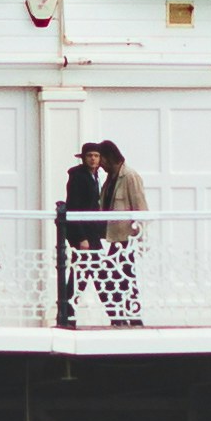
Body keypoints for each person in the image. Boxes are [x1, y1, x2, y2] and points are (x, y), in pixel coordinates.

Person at [94, 134, 149, 330]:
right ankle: (122, 315)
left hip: (126, 238)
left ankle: (131, 316)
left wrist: (140, 239)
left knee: (124, 277)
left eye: (102, 160)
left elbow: (141, 208)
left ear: (109, 158)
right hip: (113, 238)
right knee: (115, 276)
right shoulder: (110, 178)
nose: (100, 165)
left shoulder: (130, 177)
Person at [58, 136, 105, 328]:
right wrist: (82, 237)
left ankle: (68, 309)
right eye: (90, 156)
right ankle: (67, 309)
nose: (93, 159)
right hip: (83, 233)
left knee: (90, 271)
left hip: (91, 231)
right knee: (86, 271)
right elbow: (74, 207)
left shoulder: (94, 176)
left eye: (96, 156)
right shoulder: (78, 176)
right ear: (84, 158)